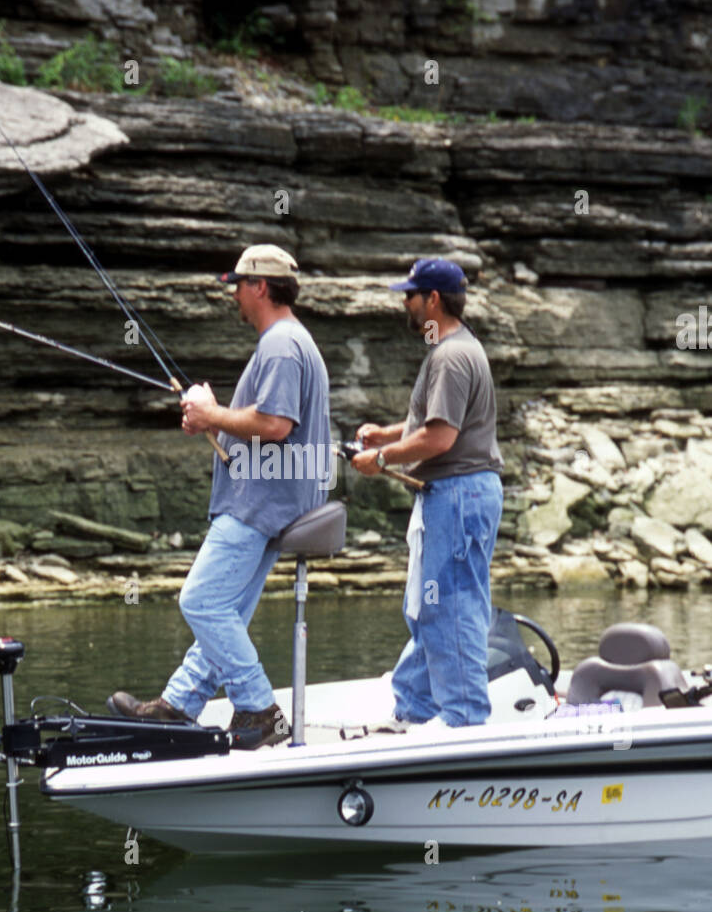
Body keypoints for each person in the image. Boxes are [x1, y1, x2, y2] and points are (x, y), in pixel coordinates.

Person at [109, 244, 332, 749]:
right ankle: (178, 705)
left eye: (237, 284)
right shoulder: (293, 342)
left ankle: (259, 709)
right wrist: (214, 419)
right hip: (277, 497)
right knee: (226, 610)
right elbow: (265, 423)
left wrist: (212, 415)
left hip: (262, 500)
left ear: (259, 287)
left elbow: (275, 425)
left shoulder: (280, 344)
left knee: (202, 601)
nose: (233, 294)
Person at [352, 258, 503, 731]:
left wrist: (380, 460)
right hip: (455, 497)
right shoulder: (455, 348)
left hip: (458, 498)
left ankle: (464, 723)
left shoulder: (452, 356)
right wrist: (386, 435)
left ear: (433, 300)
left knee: (450, 608)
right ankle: (415, 711)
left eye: (411, 295)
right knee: (427, 607)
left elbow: (440, 439)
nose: (405, 302)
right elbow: (436, 422)